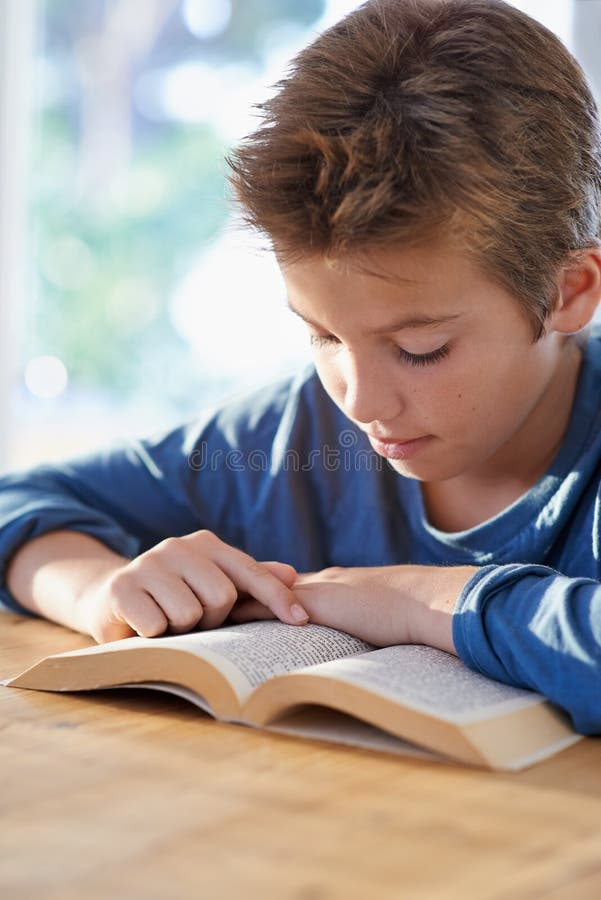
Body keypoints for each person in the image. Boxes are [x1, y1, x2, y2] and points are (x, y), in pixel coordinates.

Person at [1, 0, 601, 734]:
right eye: (320, 335)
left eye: (420, 349)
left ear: (568, 291)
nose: (362, 400)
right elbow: (18, 500)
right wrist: (98, 591)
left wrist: (421, 599)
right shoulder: (290, 440)